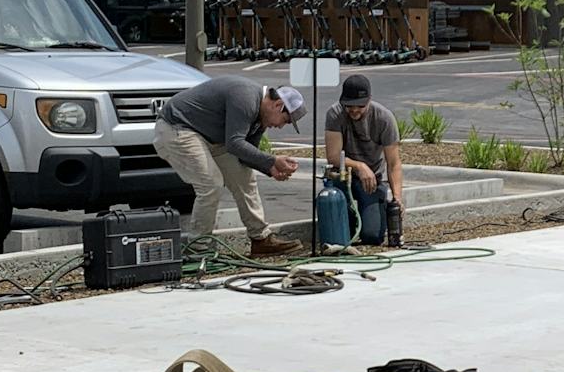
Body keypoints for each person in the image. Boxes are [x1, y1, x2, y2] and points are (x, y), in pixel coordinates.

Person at [155, 78, 305, 258]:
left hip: (209, 137)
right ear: (278, 105)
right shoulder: (246, 98)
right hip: (177, 128)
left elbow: (245, 155)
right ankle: (198, 248)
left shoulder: (260, 117)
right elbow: (235, 144)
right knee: (211, 185)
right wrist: (272, 160)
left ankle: (261, 240)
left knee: (244, 178)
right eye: (285, 121)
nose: (280, 126)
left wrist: (271, 169)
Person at [323, 72, 405, 247]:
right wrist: (359, 166)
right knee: (342, 233)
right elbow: (333, 156)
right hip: (343, 178)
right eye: (349, 106)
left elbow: (393, 163)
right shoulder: (334, 114)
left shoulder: (384, 118)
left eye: (359, 106)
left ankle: (368, 216)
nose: (354, 110)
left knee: (372, 236)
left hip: (372, 181)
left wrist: (397, 197)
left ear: (369, 100)